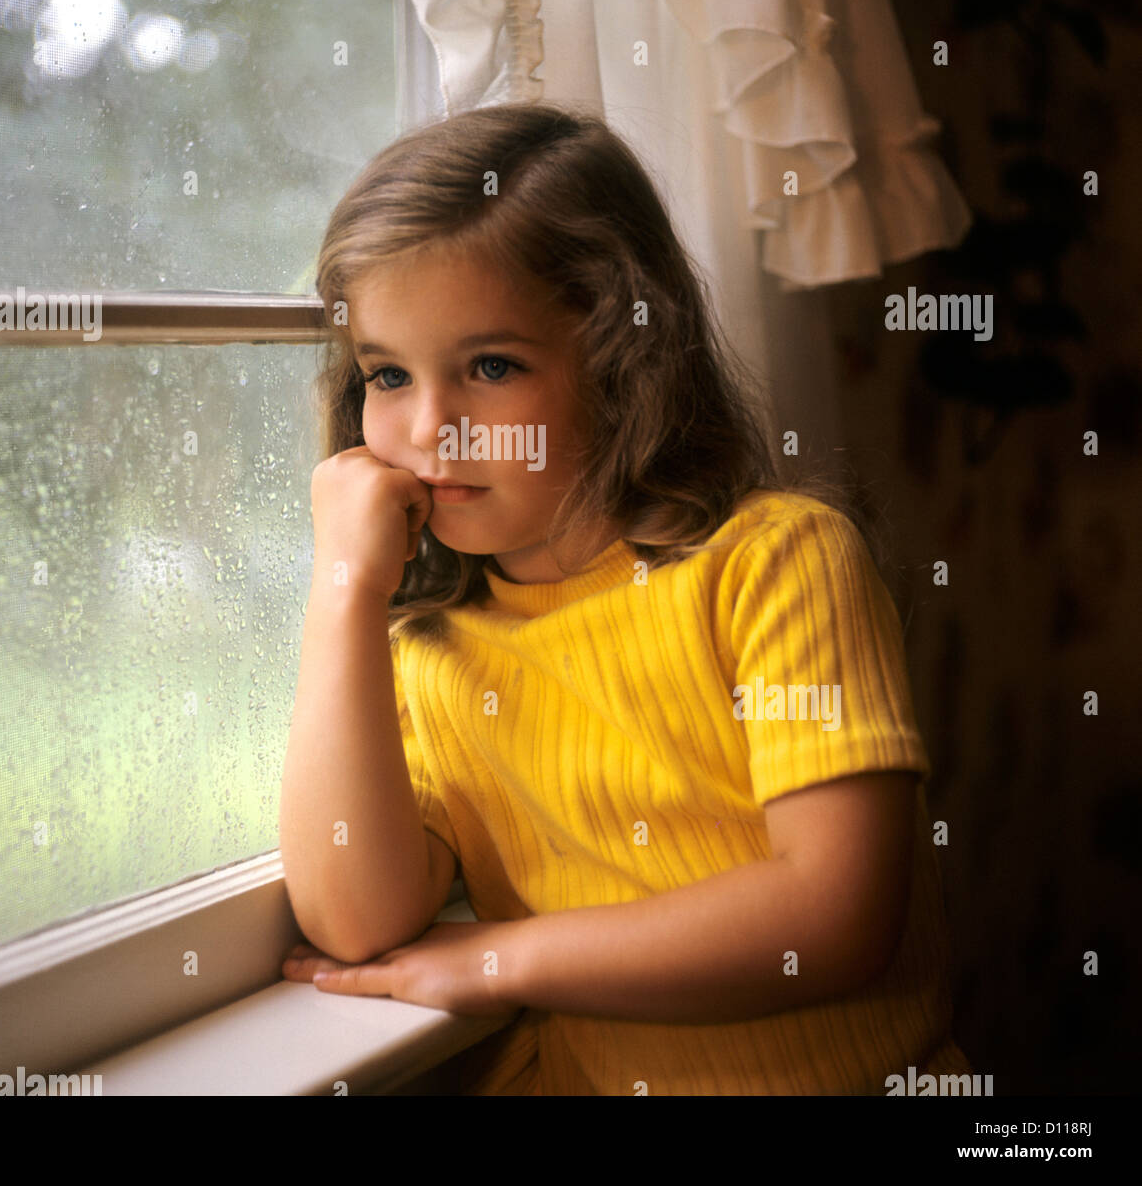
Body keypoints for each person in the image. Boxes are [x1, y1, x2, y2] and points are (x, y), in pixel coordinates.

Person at [278, 102, 973, 1095]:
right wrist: (343, 587)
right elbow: (352, 923)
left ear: (619, 357)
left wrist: (497, 960)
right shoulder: (429, 653)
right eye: (388, 373)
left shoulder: (776, 563)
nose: (431, 427)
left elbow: (832, 916)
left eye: (489, 366)